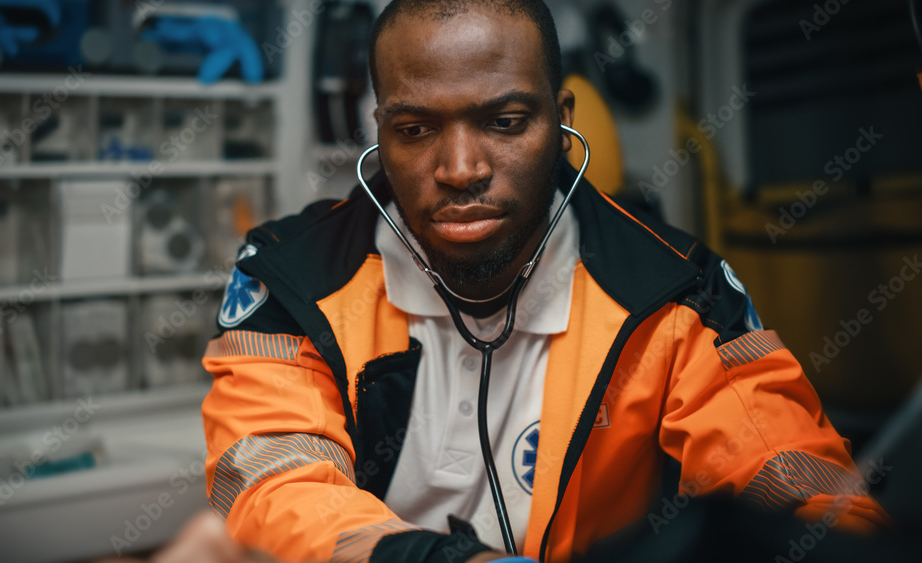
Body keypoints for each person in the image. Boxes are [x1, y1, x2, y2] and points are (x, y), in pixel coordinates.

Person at [200, 1, 891, 561]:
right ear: (380, 131)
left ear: (562, 121)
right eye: (415, 129)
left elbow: (800, 488)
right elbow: (272, 482)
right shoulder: (290, 277)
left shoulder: (678, 294)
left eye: (504, 122)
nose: (462, 167)